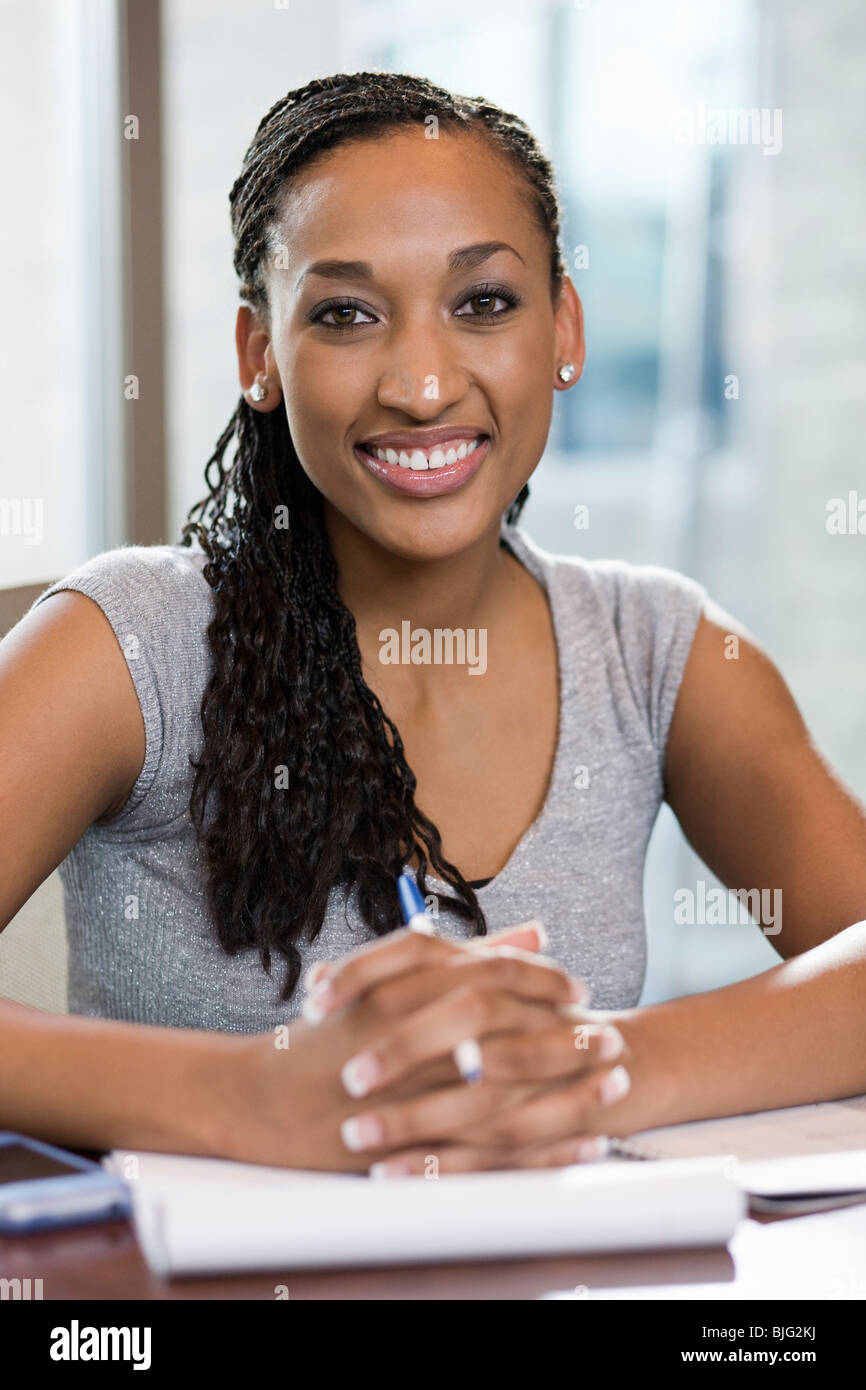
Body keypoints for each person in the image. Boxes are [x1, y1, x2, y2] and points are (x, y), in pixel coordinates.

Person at [2, 73, 865, 1177]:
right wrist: (256, 1096)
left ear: (563, 327)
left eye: (483, 303)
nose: (420, 384)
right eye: (346, 313)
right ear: (259, 355)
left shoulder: (657, 652)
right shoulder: (129, 644)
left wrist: (579, 1070)